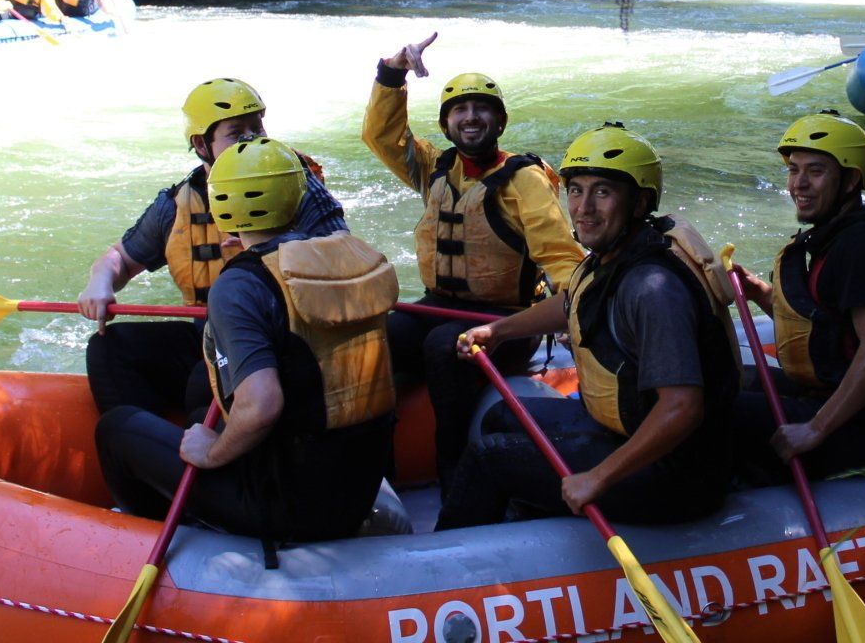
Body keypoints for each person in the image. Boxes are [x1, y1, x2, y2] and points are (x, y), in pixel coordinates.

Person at [94, 137, 396, 542]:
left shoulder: (239, 284)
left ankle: (163, 534)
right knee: (204, 391)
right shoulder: (348, 253)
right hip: (356, 488)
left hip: (287, 504)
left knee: (117, 429)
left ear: (223, 207)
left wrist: (211, 452)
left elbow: (262, 404)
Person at [437, 124, 738, 529]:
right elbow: (572, 301)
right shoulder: (615, 254)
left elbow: (682, 408)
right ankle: (532, 521)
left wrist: (598, 478)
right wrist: (501, 331)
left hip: (673, 475)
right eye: (576, 190)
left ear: (639, 202)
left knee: (489, 459)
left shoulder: (652, 288)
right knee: (501, 419)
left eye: (603, 192)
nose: (583, 208)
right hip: (623, 433)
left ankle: (454, 561)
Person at [361, 33, 583, 489]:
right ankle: (374, 472)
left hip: (505, 319)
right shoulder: (435, 168)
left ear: (499, 121)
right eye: (459, 110)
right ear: (446, 125)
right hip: (437, 304)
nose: (470, 117)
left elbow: (560, 253)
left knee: (444, 346)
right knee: (374, 338)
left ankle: (456, 477)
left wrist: (573, 308)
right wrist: (393, 69)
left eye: (481, 108)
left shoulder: (523, 180)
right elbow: (381, 136)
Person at [78, 78, 346, 419]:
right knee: (108, 348)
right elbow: (119, 257)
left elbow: (342, 252)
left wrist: (279, 247)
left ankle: (212, 448)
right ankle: (144, 445)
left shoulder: (296, 181)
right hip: (208, 335)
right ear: (201, 144)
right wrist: (99, 282)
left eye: (256, 128)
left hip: (280, 339)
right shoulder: (178, 203)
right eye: (236, 132)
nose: (251, 140)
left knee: (200, 386)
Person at [731, 112, 865, 483]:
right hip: (838, 404)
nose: (798, 184)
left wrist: (815, 428)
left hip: (859, 432)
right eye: (793, 170)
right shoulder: (835, 235)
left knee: (710, 409)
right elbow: (829, 330)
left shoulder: (863, 245)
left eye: (815, 172)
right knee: (728, 377)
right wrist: (762, 295)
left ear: (851, 180)